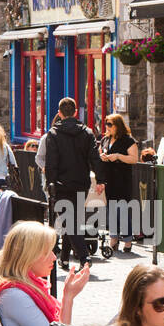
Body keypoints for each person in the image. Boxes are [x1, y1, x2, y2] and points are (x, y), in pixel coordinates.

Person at [45, 96, 106, 269]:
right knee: (71, 222)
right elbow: (95, 158)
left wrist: (50, 185)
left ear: (59, 113)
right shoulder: (87, 133)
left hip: (61, 184)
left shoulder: (54, 134)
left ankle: (84, 257)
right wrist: (100, 180)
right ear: (76, 112)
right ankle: (64, 258)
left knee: (69, 222)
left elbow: (51, 163)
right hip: (81, 183)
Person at [99, 113, 139, 253]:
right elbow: (100, 154)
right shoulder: (105, 139)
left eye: (110, 124)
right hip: (109, 180)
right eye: (106, 124)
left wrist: (117, 156)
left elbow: (134, 159)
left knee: (122, 211)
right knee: (111, 212)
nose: (107, 127)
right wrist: (102, 157)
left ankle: (127, 240)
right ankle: (114, 239)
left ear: (118, 126)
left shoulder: (128, 140)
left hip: (122, 180)